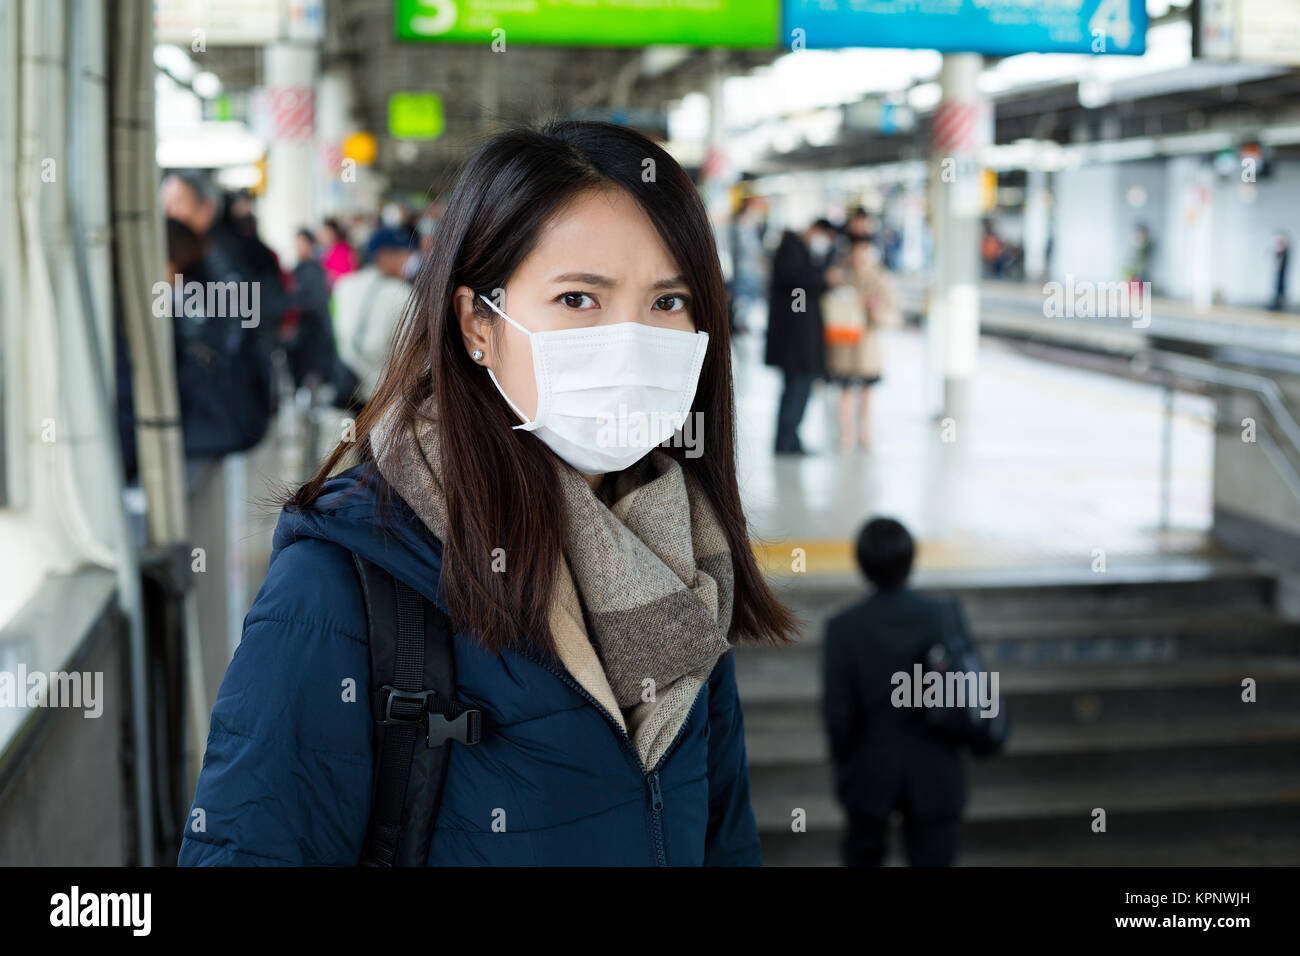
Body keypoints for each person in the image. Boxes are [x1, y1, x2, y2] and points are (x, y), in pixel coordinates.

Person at [177, 119, 798, 866]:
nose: (631, 340)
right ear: (478, 322)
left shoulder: (690, 568)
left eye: (668, 302)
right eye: (578, 299)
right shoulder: (341, 585)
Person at [821, 518, 968, 867]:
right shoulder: (944, 616)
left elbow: (837, 714)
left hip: (869, 773)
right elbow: (965, 689)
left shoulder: (843, 628)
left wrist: (845, 764)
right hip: (936, 771)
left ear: (861, 565)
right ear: (911, 559)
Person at [765, 218, 841, 454]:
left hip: (798, 339)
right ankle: (786, 441)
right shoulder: (791, 249)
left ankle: (791, 439)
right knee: (797, 388)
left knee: (799, 388)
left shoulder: (797, 249)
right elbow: (797, 281)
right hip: (796, 340)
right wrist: (824, 279)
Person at [824, 239, 900, 449]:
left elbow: (892, 311)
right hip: (845, 342)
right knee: (845, 389)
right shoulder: (839, 275)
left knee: (867, 390)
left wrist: (873, 308)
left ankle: (865, 433)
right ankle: (845, 433)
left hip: (868, 344)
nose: (859, 258)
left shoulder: (880, 278)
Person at [330, 225, 415, 405]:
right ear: (384, 255)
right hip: (383, 394)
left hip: (347, 385)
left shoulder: (343, 285)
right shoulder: (401, 293)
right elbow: (409, 352)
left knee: (350, 433)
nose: (406, 260)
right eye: (402, 253)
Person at [318, 216, 358, 289]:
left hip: (344, 288)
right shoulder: (325, 251)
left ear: (334, 232)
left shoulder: (343, 249)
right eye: (323, 232)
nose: (324, 235)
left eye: (327, 232)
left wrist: (332, 275)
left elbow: (349, 273)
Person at [1271, 231, 1290, 312]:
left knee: (1280, 286)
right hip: (1279, 271)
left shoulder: (1284, 250)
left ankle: (1279, 303)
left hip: (1282, 272)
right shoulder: (1283, 250)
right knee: (1278, 286)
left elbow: (1281, 259)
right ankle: (1278, 302)